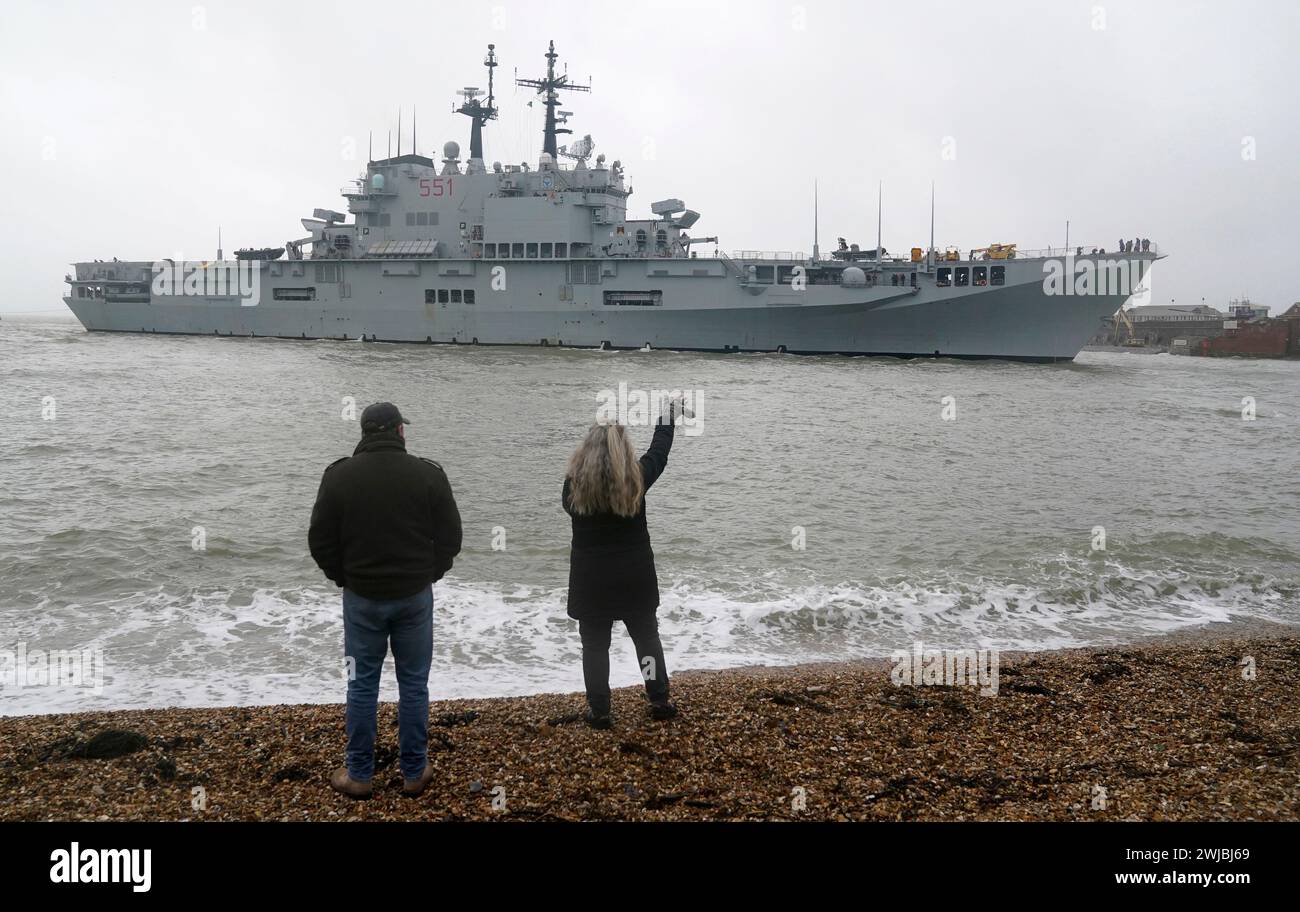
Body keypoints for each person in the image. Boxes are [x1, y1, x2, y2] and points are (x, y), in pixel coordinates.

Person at [309, 402, 462, 800]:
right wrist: (429, 573)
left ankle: (359, 774)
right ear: (399, 432)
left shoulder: (338, 476)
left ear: (363, 433)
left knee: (361, 685)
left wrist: (344, 577)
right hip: (414, 596)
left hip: (362, 598)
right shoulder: (428, 475)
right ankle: (414, 771)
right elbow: (451, 538)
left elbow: (320, 540)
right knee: (413, 684)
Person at [562, 399, 686, 728]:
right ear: (624, 449)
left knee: (595, 645)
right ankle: (659, 700)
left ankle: (600, 710)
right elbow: (659, 452)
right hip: (635, 577)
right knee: (646, 639)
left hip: (591, 581)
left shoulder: (573, 486)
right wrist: (667, 417)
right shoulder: (636, 480)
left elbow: (571, 504)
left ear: (586, 451)